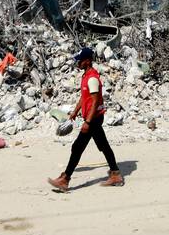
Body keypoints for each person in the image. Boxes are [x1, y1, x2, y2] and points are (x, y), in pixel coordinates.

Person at [48, 46, 123, 191]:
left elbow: (95, 101)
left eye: (80, 60)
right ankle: (115, 174)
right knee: (103, 146)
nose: (78, 63)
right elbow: (84, 97)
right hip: (92, 118)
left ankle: (65, 179)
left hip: (94, 119)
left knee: (77, 147)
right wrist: (75, 112)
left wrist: (88, 122)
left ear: (87, 61)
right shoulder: (86, 77)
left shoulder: (93, 78)